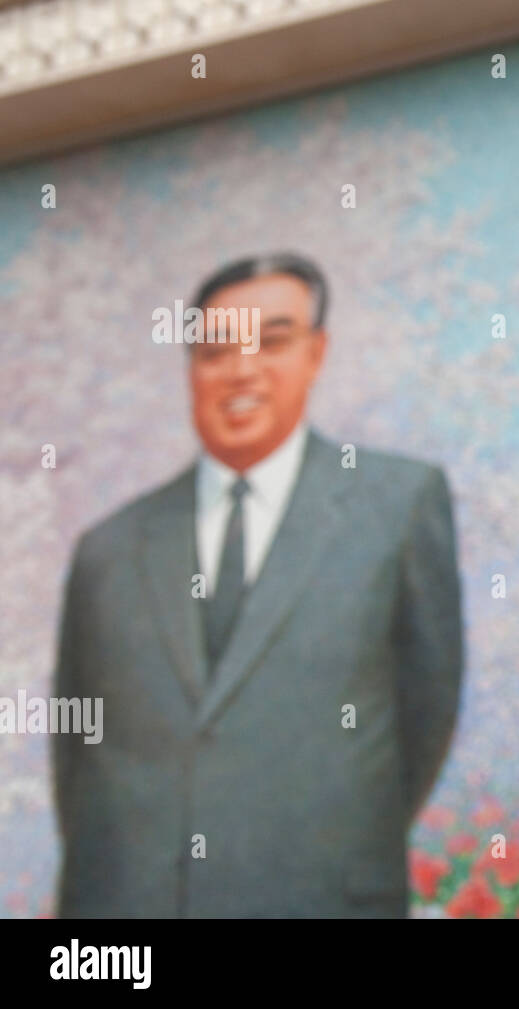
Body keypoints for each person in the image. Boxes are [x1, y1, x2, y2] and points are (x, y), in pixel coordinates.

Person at [52, 252, 463, 917]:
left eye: (271, 341)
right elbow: (77, 761)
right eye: (216, 350)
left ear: (315, 352)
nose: (242, 369)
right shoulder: (107, 550)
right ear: (191, 368)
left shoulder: (398, 506)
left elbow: (425, 714)